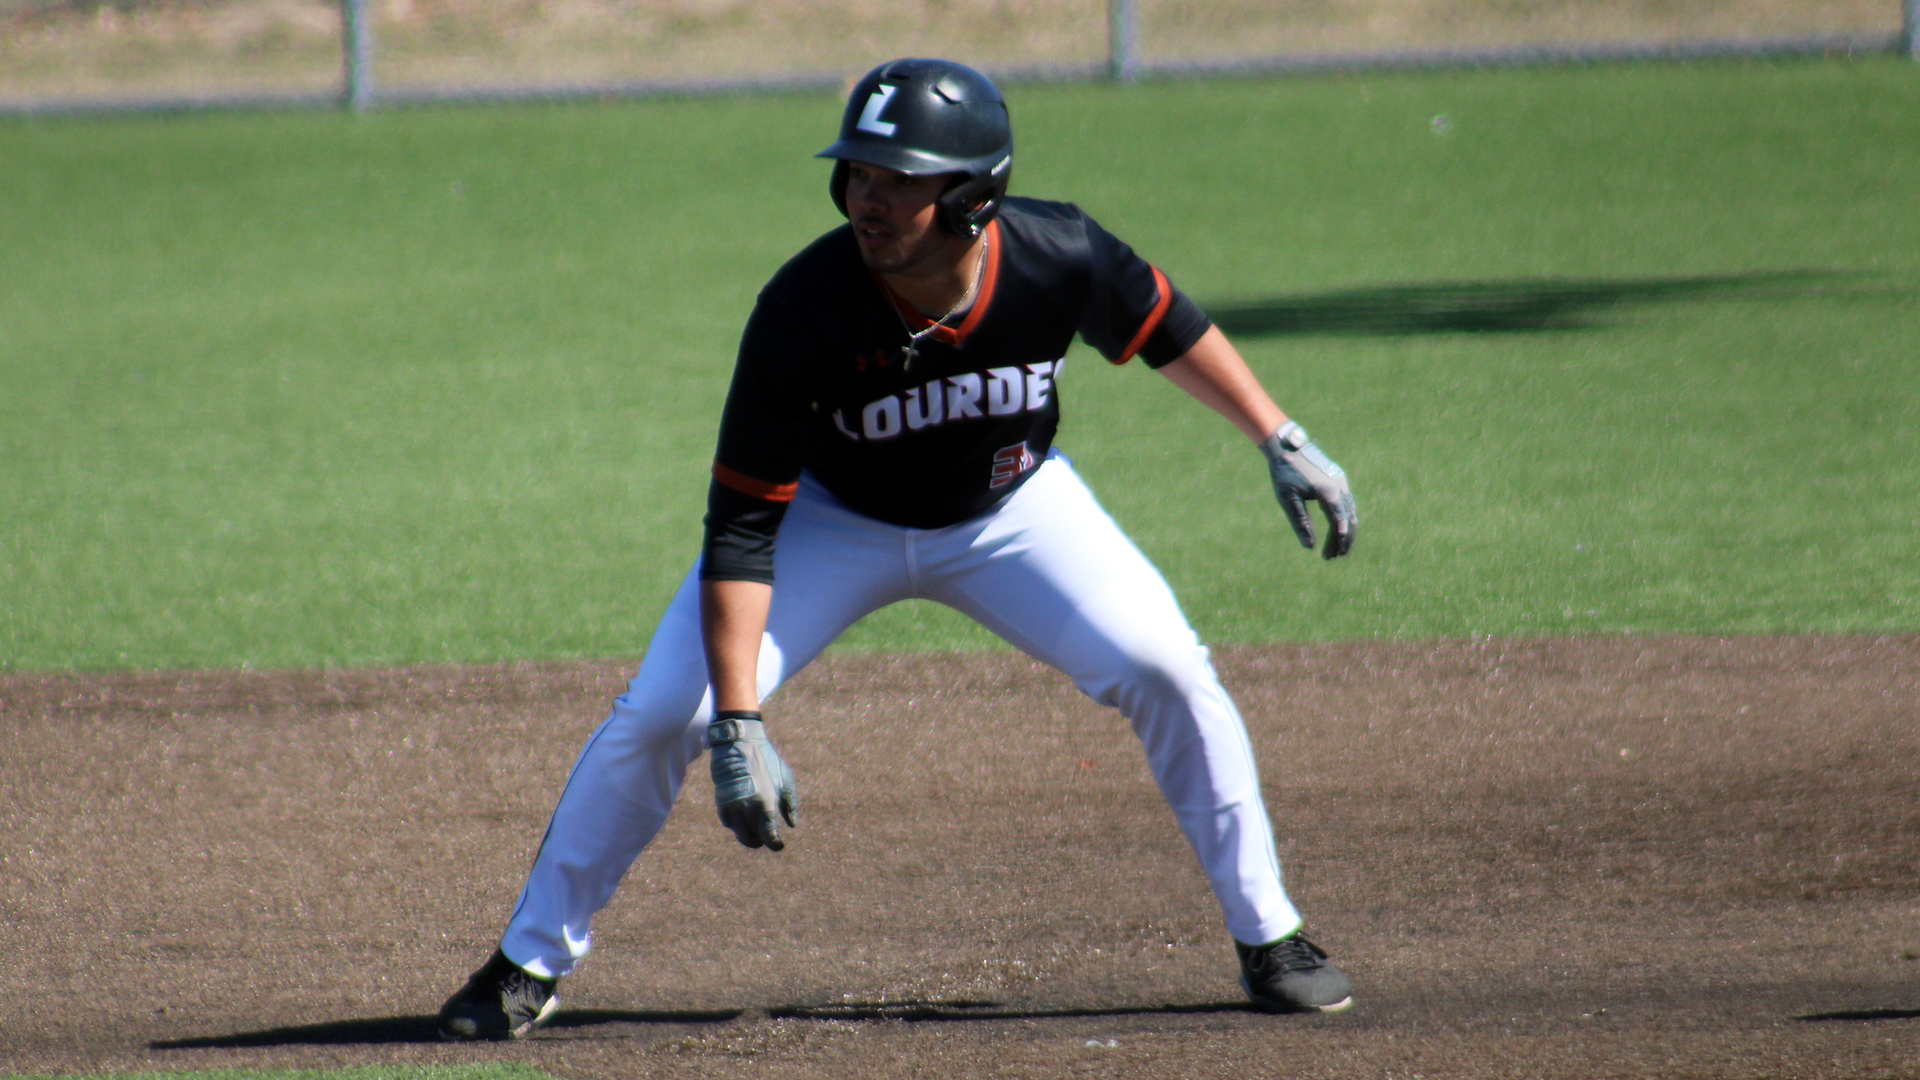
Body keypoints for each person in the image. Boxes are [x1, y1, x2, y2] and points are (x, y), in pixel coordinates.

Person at [437, 57, 1360, 1041]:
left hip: (1013, 513)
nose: (865, 199)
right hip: (829, 522)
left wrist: (1278, 434)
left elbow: (1166, 325)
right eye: (857, 175)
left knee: (1168, 667)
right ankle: (526, 961)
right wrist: (739, 719)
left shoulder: (1058, 253)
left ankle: (1271, 935)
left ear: (972, 198)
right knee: (669, 711)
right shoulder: (805, 306)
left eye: (897, 180)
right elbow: (743, 527)